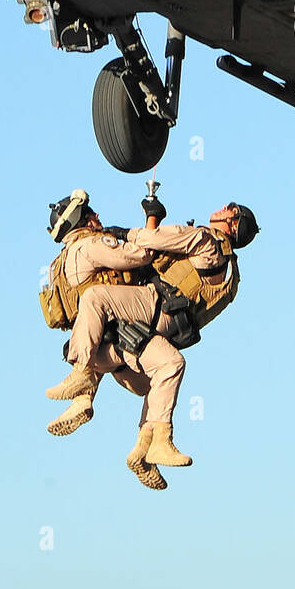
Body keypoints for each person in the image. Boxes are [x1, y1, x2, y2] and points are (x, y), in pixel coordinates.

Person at [43, 191, 259, 489]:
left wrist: (141, 224)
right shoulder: (232, 278)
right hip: (157, 333)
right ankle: (149, 445)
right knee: (171, 363)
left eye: (230, 208)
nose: (224, 207)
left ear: (234, 224)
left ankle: (82, 378)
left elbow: (148, 245)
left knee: (96, 297)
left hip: (147, 310)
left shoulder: (203, 239)